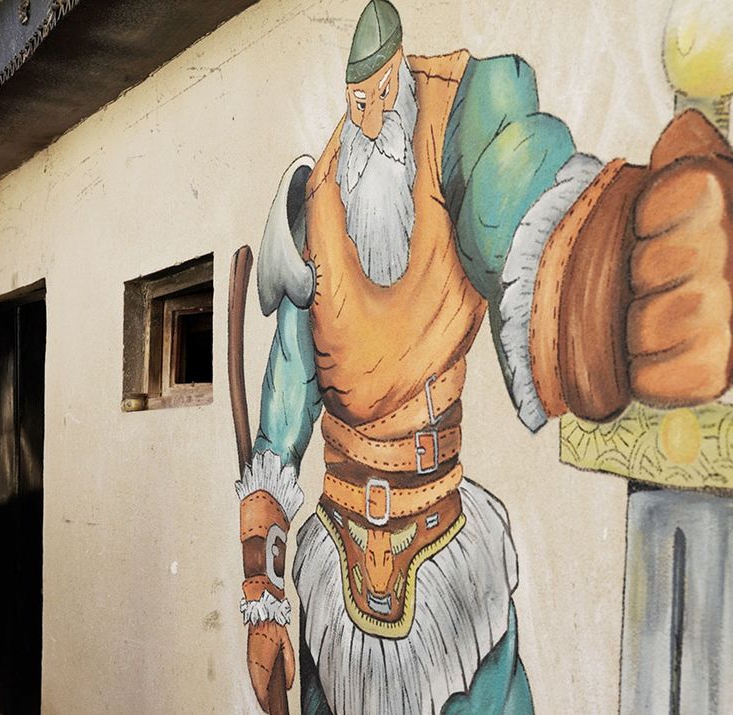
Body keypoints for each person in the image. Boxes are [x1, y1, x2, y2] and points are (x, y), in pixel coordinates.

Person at [236, 1, 733, 713]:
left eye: (381, 96)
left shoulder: (461, 116)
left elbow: (517, 192)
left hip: (444, 559)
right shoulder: (316, 199)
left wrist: (613, 270)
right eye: (356, 103)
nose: (371, 123)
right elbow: (280, 424)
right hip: (334, 568)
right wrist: (263, 603)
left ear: (399, 74)